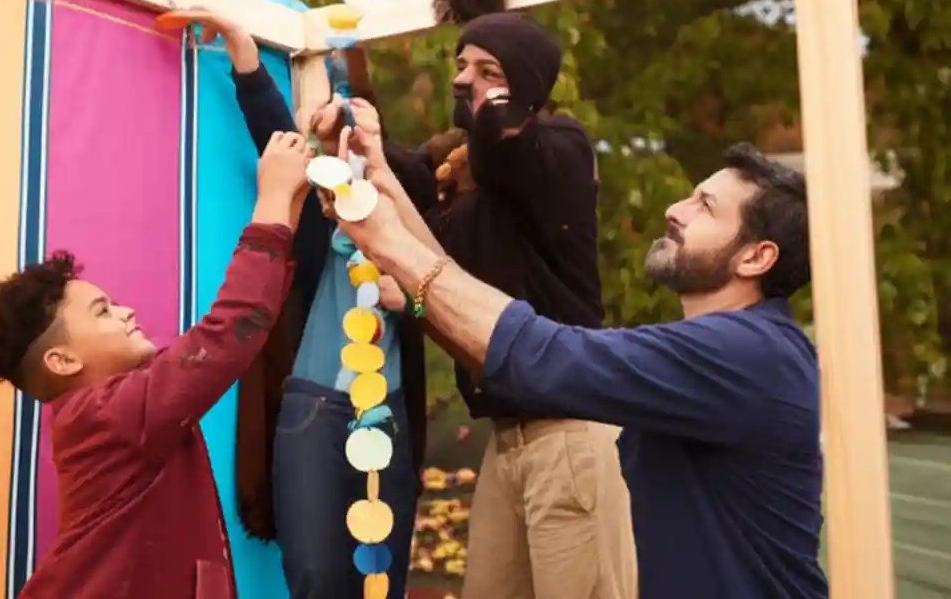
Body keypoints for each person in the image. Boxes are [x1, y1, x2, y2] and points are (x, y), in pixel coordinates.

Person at [337, 129, 828, 599]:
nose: (674, 210)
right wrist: (385, 189)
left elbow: (537, 353)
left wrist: (390, 244)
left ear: (756, 257)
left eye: (705, 207)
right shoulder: (725, 349)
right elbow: (488, 327)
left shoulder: (748, 355)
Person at [0, 131, 312, 599]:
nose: (126, 312)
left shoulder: (128, 406)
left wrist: (289, 204)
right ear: (63, 359)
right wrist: (272, 196)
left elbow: (236, 329)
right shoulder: (107, 415)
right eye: (103, 311)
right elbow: (225, 337)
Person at [171, 10, 435, 598]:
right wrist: (242, 52)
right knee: (315, 575)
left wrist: (412, 300)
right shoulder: (319, 222)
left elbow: (450, 300)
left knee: (381, 580)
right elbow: (273, 130)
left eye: (347, 138)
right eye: (323, 142)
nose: (333, 146)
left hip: (385, 416)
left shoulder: (410, 235)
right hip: (313, 409)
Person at [422, 0, 636, 598]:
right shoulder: (463, 183)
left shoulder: (559, 148)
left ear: (527, 87)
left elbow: (505, 140)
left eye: (487, 71)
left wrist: (490, 86)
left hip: (568, 433)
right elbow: (394, 182)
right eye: (461, 67)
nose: (463, 82)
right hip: (507, 439)